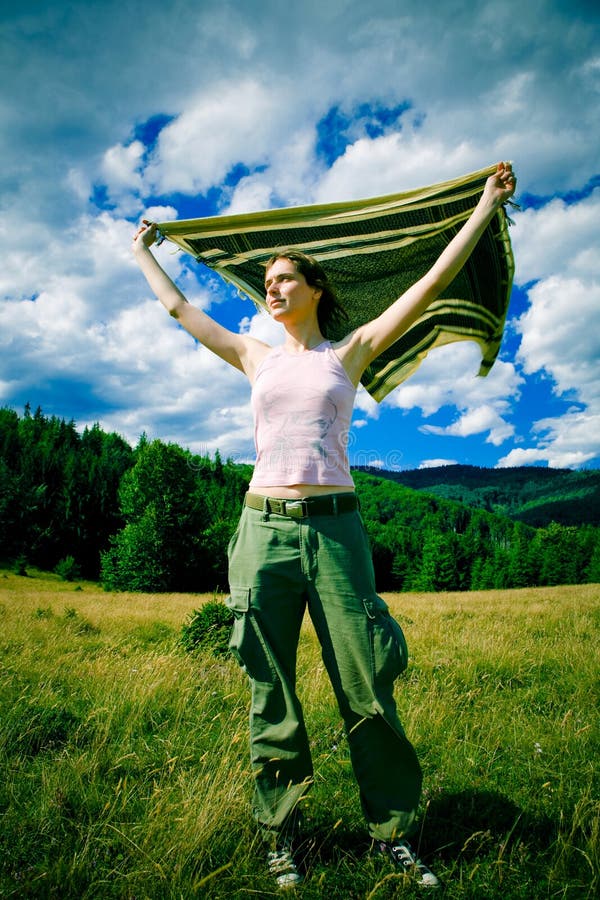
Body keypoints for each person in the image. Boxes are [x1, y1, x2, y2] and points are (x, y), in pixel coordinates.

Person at [132, 162, 517, 890]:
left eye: (285, 279)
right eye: (268, 280)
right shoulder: (253, 356)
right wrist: (142, 254)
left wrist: (486, 206)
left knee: (367, 684)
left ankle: (394, 834)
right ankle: (281, 834)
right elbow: (182, 313)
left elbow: (429, 282)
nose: (272, 288)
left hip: (337, 532)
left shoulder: (351, 350)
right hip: (262, 531)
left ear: (314, 291)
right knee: (269, 688)